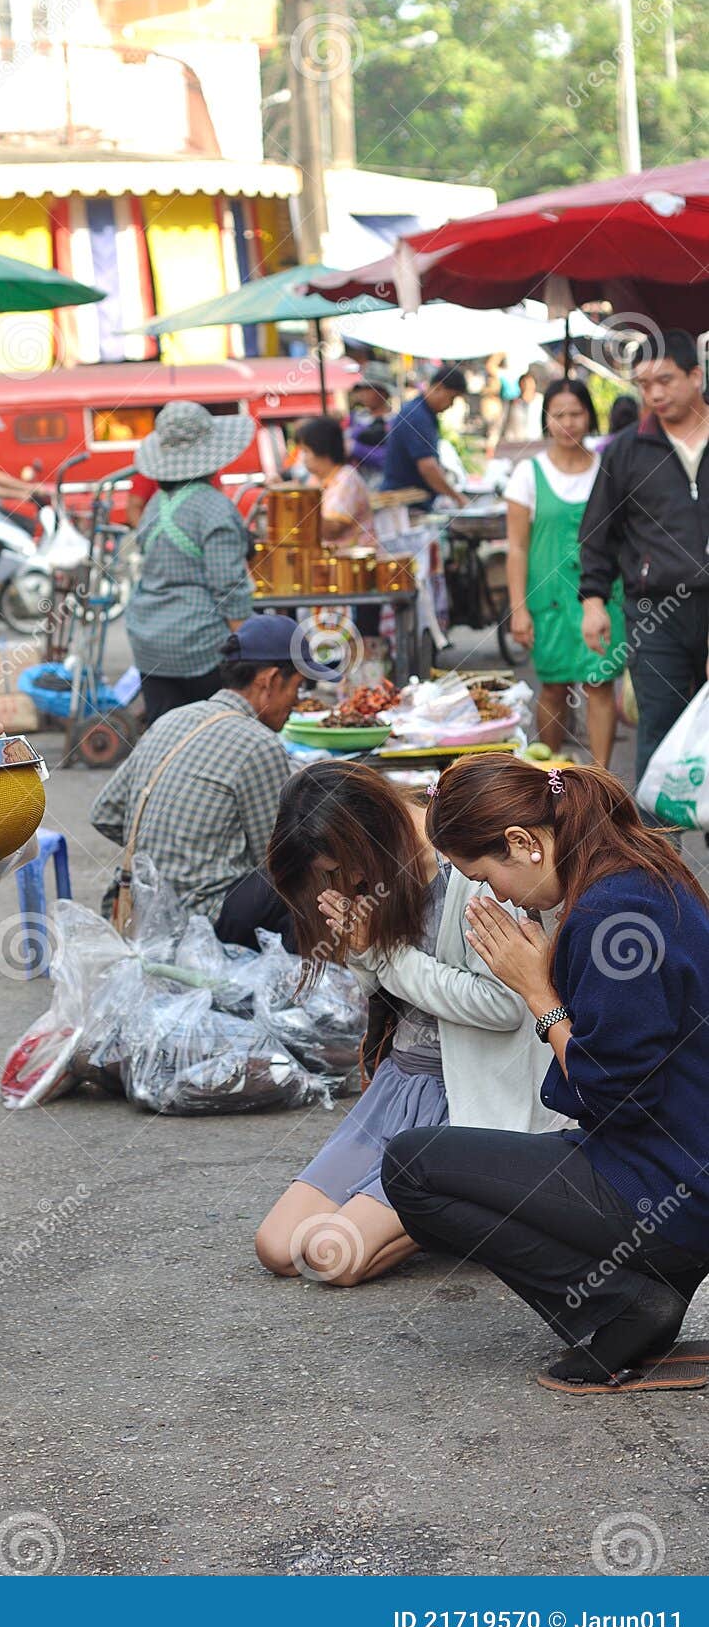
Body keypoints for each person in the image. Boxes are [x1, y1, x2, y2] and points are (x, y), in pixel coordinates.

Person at [384, 754, 709, 1393]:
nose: (497, 896)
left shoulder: (608, 914)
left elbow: (611, 1097)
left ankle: (625, 1304)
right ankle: (650, 1282)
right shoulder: (639, 869)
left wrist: (539, 994)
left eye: (487, 876)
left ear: (523, 842)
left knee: (412, 1167)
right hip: (681, 1161)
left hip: (669, 1180)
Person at [254, 762, 561, 1288]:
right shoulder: (373, 869)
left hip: (471, 1095)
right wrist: (363, 952)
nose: (345, 881)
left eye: (340, 867)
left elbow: (505, 1006)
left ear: (365, 833)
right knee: (278, 1248)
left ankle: (470, 1202)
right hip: (404, 1084)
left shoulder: (470, 868)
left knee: (328, 1256)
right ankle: (445, 1208)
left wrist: (384, 955)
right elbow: (391, 988)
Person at [91, 616, 335, 949]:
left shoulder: (172, 719)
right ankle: (294, 991)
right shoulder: (258, 743)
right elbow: (277, 855)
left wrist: (169, 847)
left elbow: (104, 812)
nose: (297, 702)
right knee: (301, 877)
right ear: (272, 680)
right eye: (298, 687)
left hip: (143, 909)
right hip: (201, 926)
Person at [579, 329, 709, 787]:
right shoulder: (626, 450)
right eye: (644, 383)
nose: (654, 393)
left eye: (666, 380)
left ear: (696, 376)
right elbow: (597, 531)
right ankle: (657, 853)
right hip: (656, 614)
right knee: (659, 729)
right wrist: (593, 602)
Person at [505, 379, 624, 766]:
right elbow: (517, 547)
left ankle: (601, 782)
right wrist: (518, 608)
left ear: (589, 415)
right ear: (546, 419)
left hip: (602, 595)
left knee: (600, 683)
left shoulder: (609, 469)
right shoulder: (528, 472)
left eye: (576, 413)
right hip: (549, 597)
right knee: (554, 686)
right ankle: (550, 775)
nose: (568, 422)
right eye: (559, 415)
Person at [124, 401, 256, 726]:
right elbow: (230, 588)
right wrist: (249, 654)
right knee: (215, 733)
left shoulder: (157, 503)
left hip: (150, 641)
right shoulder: (214, 507)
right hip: (201, 645)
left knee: (165, 737)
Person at [381, 366, 470, 511]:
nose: (451, 405)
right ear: (438, 388)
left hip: (414, 501)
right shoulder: (417, 416)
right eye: (451, 398)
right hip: (402, 503)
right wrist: (458, 498)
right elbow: (428, 467)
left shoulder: (424, 414)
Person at [294, 417, 378, 550]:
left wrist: (297, 503)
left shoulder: (346, 478)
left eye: (306, 451)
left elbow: (332, 531)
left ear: (322, 450)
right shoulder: (316, 478)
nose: (302, 457)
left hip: (355, 562)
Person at [345, 382, 392, 477]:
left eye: (368, 390)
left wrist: (355, 448)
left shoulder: (394, 421)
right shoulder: (356, 418)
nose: (363, 394)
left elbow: (386, 458)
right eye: (362, 390)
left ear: (383, 393)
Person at [502, 371, 544, 444]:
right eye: (524, 383)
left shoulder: (541, 400)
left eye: (530, 383)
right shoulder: (512, 403)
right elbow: (504, 422)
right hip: (515, 442)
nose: (527, 386)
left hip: (536, 441)